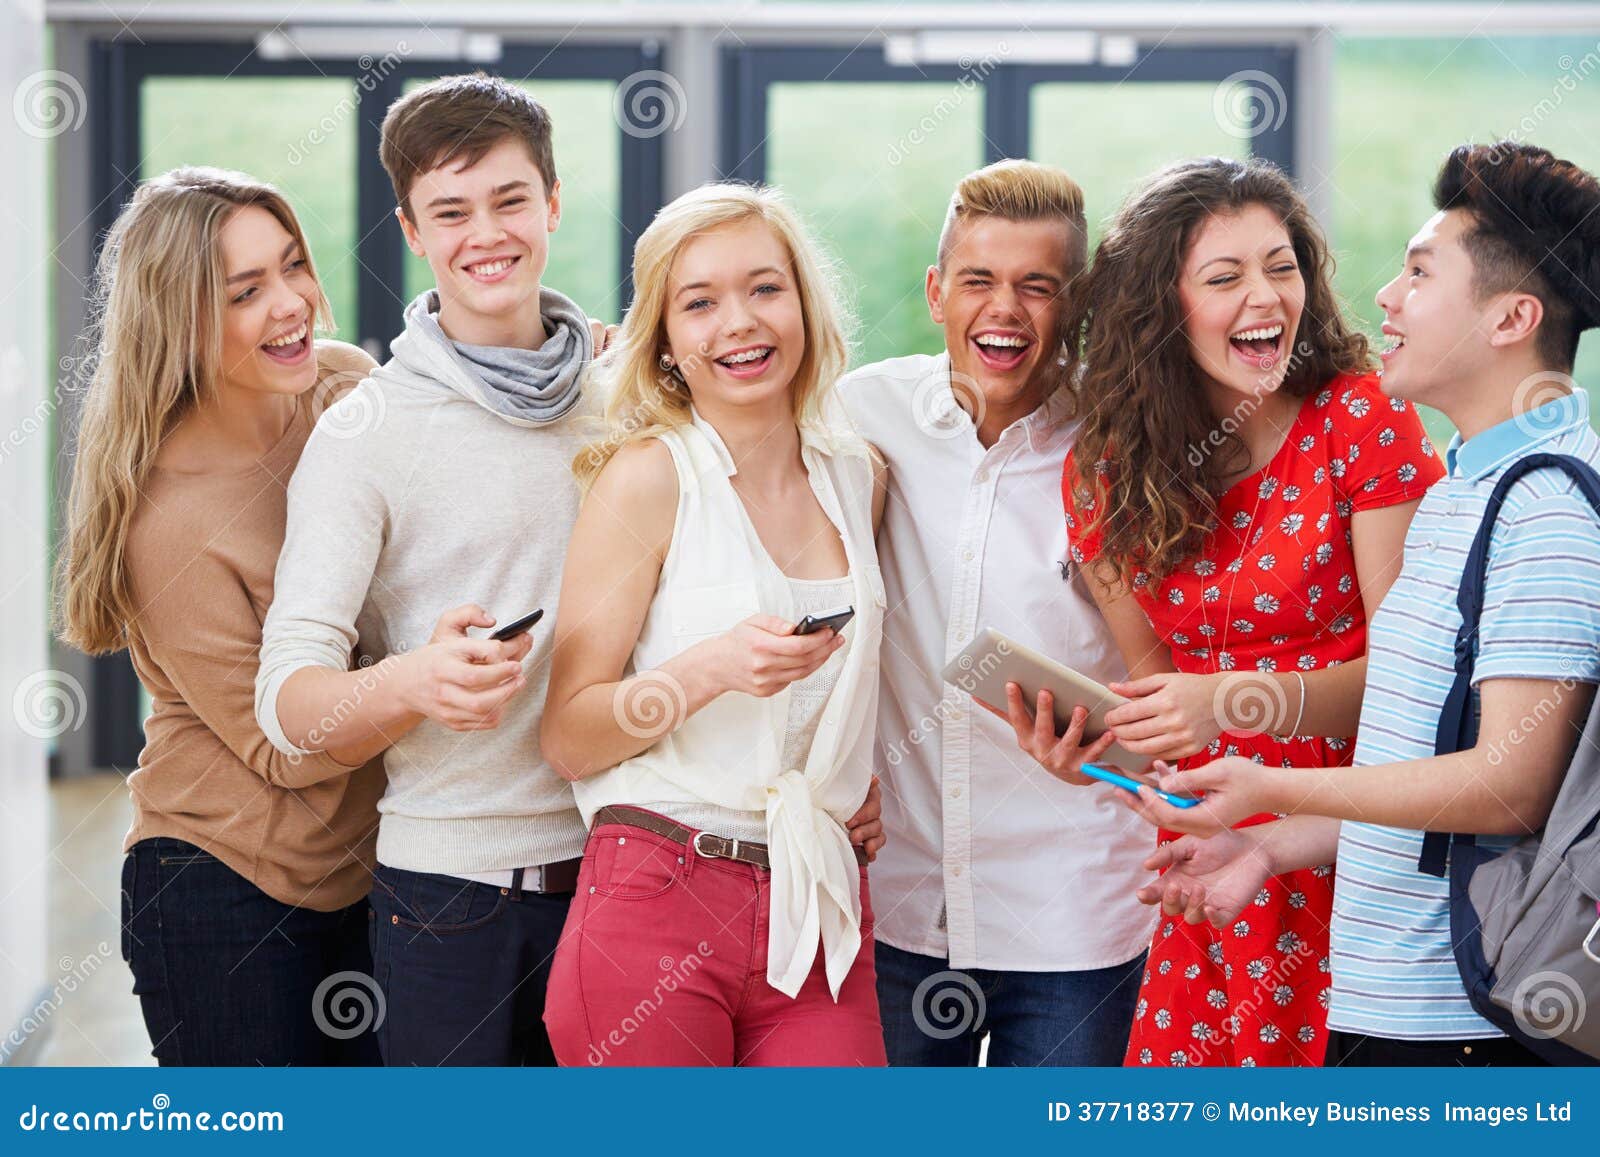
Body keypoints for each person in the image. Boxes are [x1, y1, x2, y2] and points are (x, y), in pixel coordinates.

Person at [1123, 141, 1600, 1068]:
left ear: (1512, 317)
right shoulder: (1467, 491)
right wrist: (1274, 845)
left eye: (1421, 272)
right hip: (1399, 1004)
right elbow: (1434, 772)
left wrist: (1273, 785)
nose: (1384, 295)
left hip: (1469, 1023)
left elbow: (1507, 784)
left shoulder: (1544, 510)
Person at [1059, 156, 1443, 1067]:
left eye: (1282, 265)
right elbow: (1159, 699)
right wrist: (1095, 757)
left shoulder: (1363, 420)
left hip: (1355, 832)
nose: (1265, 297)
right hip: (1213, 856)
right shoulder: (1104, 470)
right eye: (1224, 278)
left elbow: (1411, 687)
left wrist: (1226, 700)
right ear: (1158, 310)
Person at [539, 182, 889, 1067]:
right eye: (699, 301)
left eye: (765, 288)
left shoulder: (858, 478)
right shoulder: (649, 479)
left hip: (815, 901)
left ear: (804, 304)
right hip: (657, 889)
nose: (740, 321)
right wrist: (712, 668)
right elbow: (570, 736)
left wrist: (850, 768)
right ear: (665, 341)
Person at [56, 167, 387, 1065]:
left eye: (293, 266)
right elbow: (288, 752)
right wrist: (418, 686)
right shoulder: (171, 523)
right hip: (222, 891)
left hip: (365, 871)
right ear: (182, 321)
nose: (292, 304)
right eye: (246, 292)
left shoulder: (343, 392)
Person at [832, 159, 1152, 1066]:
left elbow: (1176, 677)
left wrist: (1109, 749)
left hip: (1074, 910)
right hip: (898, 896)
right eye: (978, 280)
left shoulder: (1125, 446)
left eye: (1036, 286)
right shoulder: (862, 412)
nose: (1003, 309)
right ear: (937, 291)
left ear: (1076, 303)